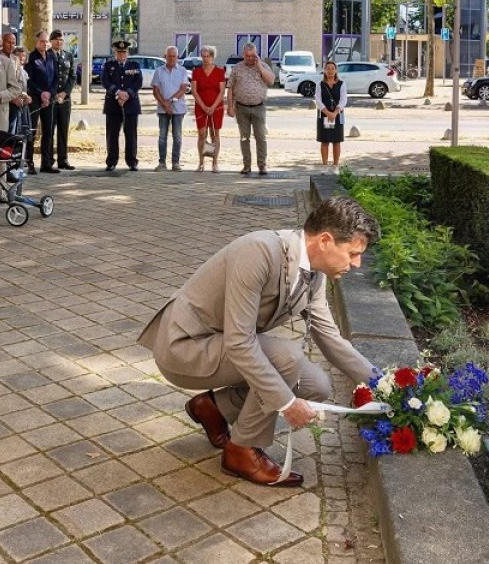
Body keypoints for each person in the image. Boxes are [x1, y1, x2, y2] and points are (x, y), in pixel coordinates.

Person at [138, 196, 382, 487]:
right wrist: (287, 403)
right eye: (353, 253)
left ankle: (215, 408)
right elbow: (240, 342)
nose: (357, 264)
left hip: (224, 345)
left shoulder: (316, 273)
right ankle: (241, 450)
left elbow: (330, 338)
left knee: (316, 385)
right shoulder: (258, 251)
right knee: (287, 357)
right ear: (326, 241)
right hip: (185, 348)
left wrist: (383, 384)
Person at [226, 42, 275, 175]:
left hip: (259, 107)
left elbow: (271, 81)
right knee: (244, 138)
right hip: (241, 108)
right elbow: (230, 88)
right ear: (243, 55)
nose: (250, 58)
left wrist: (259, 66)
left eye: (253, 55)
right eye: (247, 56)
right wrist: (230, 107)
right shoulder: (237, 68)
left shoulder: (263, 66)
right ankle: (246, 165)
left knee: (260, 137)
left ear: (256, 54)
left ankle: (262, 165)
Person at [102, 39, 142, 171]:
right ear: (115, 52)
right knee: (112, 134)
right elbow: (105, 81)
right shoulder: (109, 65)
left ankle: (132, 162)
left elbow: (138, 82)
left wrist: (127, 95)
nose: (122, 54)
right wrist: (118, 93)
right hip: (113, 105)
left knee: (131, 134)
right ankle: (111, 161)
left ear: (128, 52)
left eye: (124, 52)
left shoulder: (134, 65)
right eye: (119, 52)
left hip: (131, 105)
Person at [25, 30, 58, 174]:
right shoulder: (31, 58)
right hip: (34, 98)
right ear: (36, 42)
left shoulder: (51, 57)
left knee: (48, 131)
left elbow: (56, 78)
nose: (45, 44)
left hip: (48, 98)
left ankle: (46, 163)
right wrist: (41, 93)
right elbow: (29, 80)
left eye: (47, 41)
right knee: (31, 131)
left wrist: (49, 93)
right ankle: (29, 163)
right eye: (42, 41)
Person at [151, 46, 188, 172]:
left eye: (174, 56)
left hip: (178, 109)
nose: (171, 58)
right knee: (162, 136)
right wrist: (164, 104)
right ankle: (162, 163)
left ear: (177, 57)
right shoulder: (158, 71)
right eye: (169, 56)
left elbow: (183, 89)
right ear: (165, 56)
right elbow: (155, 90)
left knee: (177, 137)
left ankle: (175, 163)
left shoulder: (182, 70)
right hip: (162, 109)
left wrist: (170, 102)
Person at [191, 45, 226, 173]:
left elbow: (222, 91)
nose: (206, 59)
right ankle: (201, 163)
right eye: (203, 56)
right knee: (202, 134)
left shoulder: (220, 72)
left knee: (214, 134)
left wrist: (213, 107)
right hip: (201, 106)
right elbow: (194, 91)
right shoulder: (196, 72)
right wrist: (204, 107)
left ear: (212, 57)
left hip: (216, 107)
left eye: (208, 56)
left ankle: (215, 163)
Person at [50, 30, 77, 170]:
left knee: (63, 130)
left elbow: (73, 77)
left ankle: (63, 160)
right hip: (51, 99)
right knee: (49, 131)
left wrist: (65, 93)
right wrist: (54, 93)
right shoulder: (47, 55)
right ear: (51, 41)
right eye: (56, 39)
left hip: (65, 100)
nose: (59, 42)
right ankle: (48, 160)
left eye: (61, 39)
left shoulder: (68, 55)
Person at [315, 61, 347, 170]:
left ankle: (335, 165)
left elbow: (343, 100)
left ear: (336, 70)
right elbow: (318, 100)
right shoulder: (320, 84)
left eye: (332, 68)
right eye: (328, 68)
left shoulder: (342, 84)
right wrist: (328, 113)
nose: (330, 71)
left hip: (337, 115)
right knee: (324, 140)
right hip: (324, 114)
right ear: (324, 70)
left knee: (337, 141)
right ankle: (324, 165)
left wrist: (335, 113)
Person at [1, 33, 30, 136]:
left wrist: (25, 95)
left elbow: (20, 85)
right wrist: (13, 98)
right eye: (8, 42)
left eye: (13, 43)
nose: (11, 45)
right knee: (9, 134)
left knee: (19, 134)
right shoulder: (0, 59)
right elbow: (1, 85)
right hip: (7, 103)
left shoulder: (19, 65)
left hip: (20, 104)